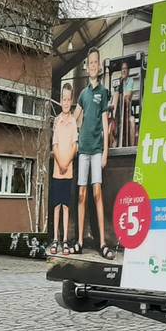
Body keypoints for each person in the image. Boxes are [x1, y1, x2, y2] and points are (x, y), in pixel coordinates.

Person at [74, 48, 114, 260]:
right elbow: (75, 117)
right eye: (90, 63)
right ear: (87, 66)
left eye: (96, 62)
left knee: (97, 193)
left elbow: (106, 124)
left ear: (99, 67)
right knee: (82, 194)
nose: (93, 66)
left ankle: (103, 243)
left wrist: (106, 151)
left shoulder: (104, 93)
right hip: (83, 151)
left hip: (97, 150)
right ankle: (79, 241)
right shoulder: (83, 94)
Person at [50, 82, 78, 255]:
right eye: (64, 99)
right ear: (60, 100)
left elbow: (75, 146)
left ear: (71, 100)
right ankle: (55, 239)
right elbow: (55, 145)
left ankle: (65, 240)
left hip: (67, 172)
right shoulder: (57, 121)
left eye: (69, 99)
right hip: (57, 172)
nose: (66, 102)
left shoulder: (73, 122)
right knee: (57, 206)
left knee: (66, 205)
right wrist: (60, 163)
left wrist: (66, 163)